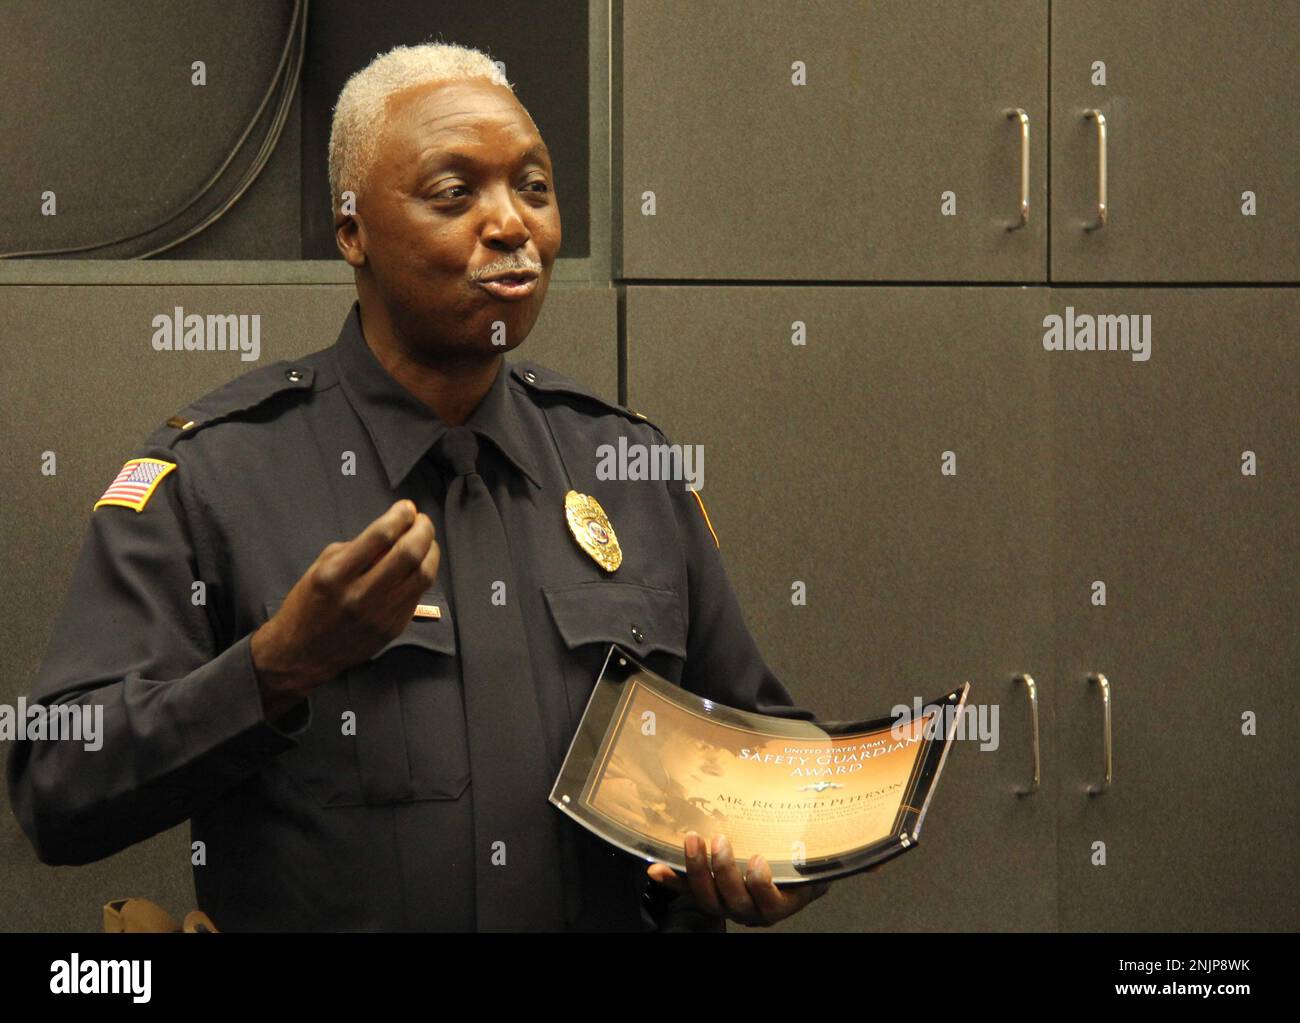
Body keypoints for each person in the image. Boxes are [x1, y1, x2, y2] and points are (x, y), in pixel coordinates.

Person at [6, 42, 831, 931]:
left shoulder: (627, 470)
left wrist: (795, 854)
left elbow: (770, 758)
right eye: (454, 193)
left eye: (534, 188)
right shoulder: (216, 478)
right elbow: (56, 787)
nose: (510, 223)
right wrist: (276, 667)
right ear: (352, 228)